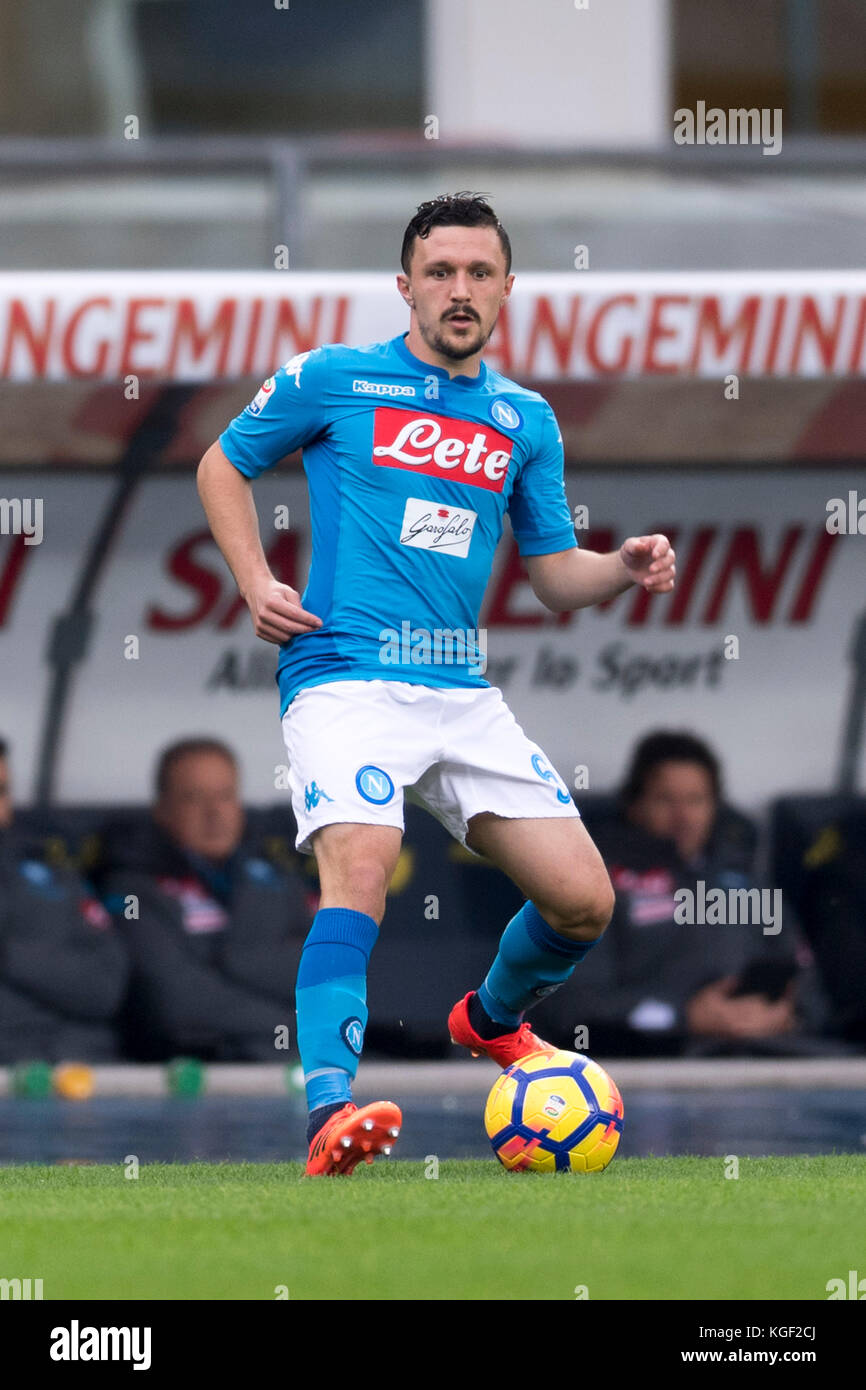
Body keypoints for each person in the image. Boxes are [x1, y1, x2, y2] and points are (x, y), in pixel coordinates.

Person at [197, 192, 676, 1175]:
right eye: (441, 272)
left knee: (583, 901)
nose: (460, 290)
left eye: (479, 273)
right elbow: (221, 461)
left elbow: (549, 577)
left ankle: (488, 1018)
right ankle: (327, 1108)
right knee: (361, 870)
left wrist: (616, 565)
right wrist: (253, 579)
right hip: (344, 680)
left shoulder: (522, 419)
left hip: (459, 692)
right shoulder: (333, 379)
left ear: (506, 288)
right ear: (405, 284)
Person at [533, 731, 811, 1055]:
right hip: (654, 1066)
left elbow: (812, 988)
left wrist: (786, 1015)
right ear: (634, 805)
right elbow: (572, 1009)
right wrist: (682, 1016)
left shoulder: (749, 880)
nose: (683, 817)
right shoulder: (591, 883)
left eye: (696, 800)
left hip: (769, 1061)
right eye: (666, 800)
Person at [100, 738, 311, 1061]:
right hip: (195, 1075)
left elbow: (330, 971)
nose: (214, 813)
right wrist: (296, 1025)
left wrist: (227, 962)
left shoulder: (278, 880)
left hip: (304, 1065)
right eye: (194, 798)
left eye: (225, 796)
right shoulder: (131, 889)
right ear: (163, 810)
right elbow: (176, 1003)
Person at [0, 737, 129, 1063]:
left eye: (1, 791)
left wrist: (10, 955)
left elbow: (105, 987)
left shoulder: (52, 873)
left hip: (86, 1071)